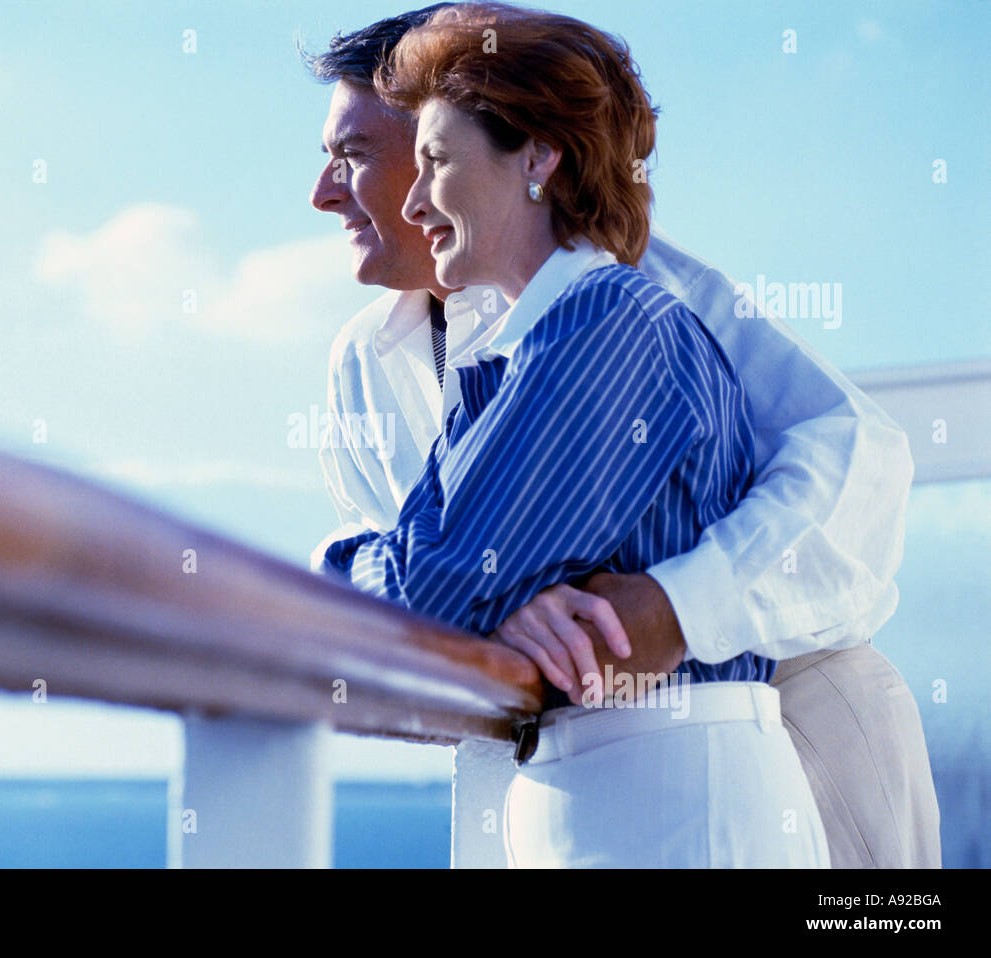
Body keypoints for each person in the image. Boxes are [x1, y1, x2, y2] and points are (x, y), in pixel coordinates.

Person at [304, 2, 938, 867]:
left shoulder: (626, 299)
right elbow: (420, 602)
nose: (324, 192)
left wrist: (676, 608)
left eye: (353, 154)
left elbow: (858, 455)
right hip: (555, 771)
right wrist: (461, 604)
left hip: (794, 729)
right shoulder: (362, 365)